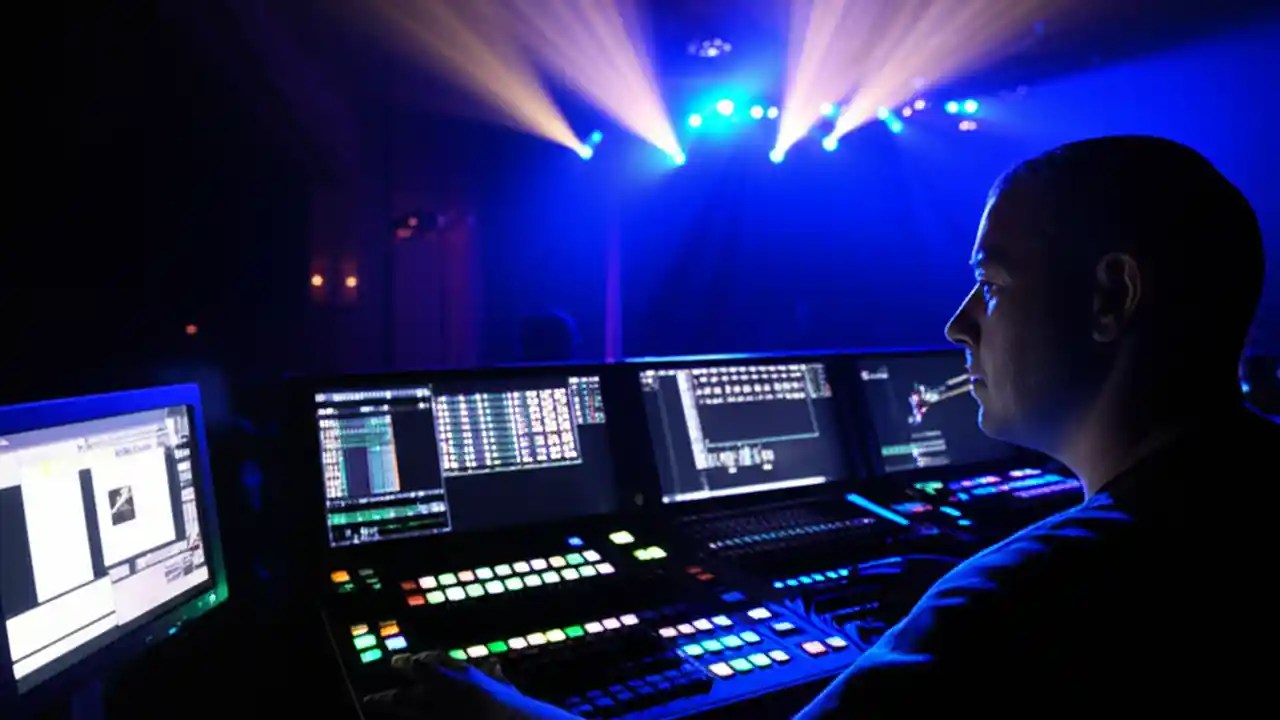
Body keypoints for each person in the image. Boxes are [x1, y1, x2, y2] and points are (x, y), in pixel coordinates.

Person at [369, 136, 1277, 718]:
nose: (958, 325)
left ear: (1112, 297)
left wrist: (498, 714)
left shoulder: (1027, 597)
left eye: (991, 284)